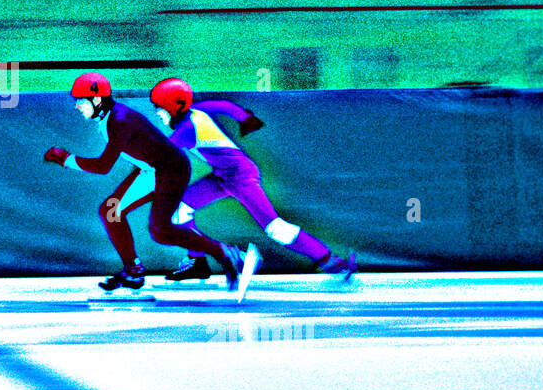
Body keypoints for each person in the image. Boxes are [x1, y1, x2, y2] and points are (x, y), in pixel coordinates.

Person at [43, 72, 258, 295]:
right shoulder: (107, 118)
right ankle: (133, 271)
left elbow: (103, 166)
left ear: (96, 99)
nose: (77, 106)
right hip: (150, 170)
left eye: (81, 101)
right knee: (110, 211)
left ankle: (227, 253)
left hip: (171, 169)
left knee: (161, 231)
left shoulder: (119, 120)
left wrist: (65, 159)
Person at [149, 77, 357, 284]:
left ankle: (332, 262)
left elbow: (161, 157)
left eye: (159, 108)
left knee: (275, 228)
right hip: (223, 175)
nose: (157, 113)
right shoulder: (198, 110)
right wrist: (245, 118)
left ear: (175, 106)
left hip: (240, 176)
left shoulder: (187, 130)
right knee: (179, 209)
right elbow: (224, 106)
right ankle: (198, 263)